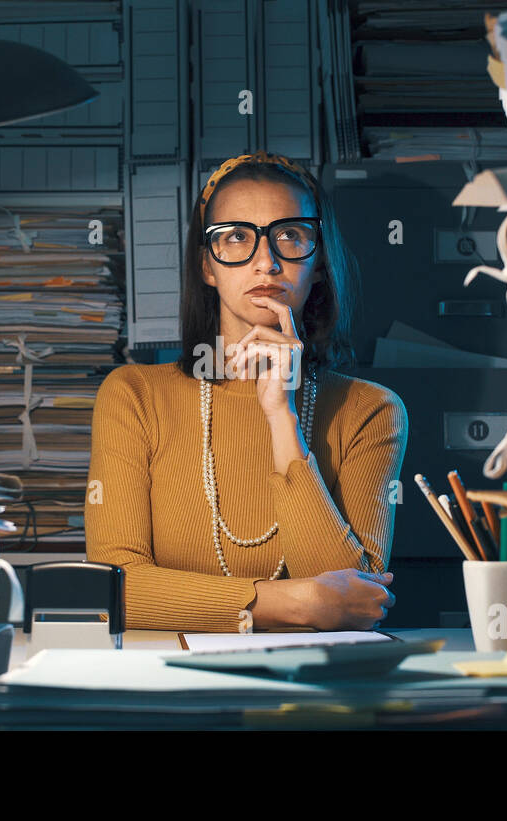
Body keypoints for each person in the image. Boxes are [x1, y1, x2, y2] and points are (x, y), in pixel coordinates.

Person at [85, 150, 408, 632]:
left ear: (318, 262)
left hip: (314, 687)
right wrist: (294, 603)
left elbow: (354, 603)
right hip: (164, 680)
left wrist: (281, 416)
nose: (266, 262)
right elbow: (113, 586)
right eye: (236, 237)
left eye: (290, 236)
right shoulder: (133, 394)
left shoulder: (370, 410)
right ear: (207, 267)